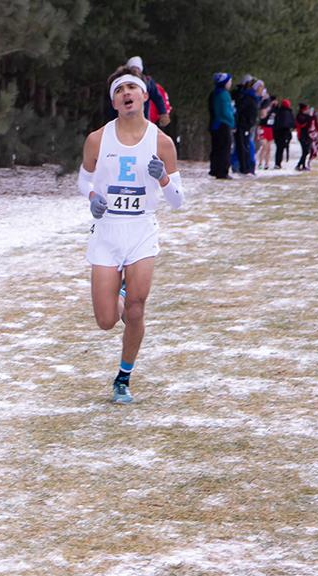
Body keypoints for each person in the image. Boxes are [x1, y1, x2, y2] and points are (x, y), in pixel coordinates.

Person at [78, 65, 183, 405]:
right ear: (114, 102)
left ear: (143, 95)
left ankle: (123, 378)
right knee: (107, 321)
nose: (126, 93)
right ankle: (120, 289)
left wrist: (164, 179)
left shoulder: (162, 142)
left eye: (131, 88)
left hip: (141, 228)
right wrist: (93, 198)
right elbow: (83, 180)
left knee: (135, 310)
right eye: (119, 90)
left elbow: (178, 201)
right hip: (108, 231)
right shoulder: (97, 138)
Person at [209, 73, 234, 179]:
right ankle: (223, 171)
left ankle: (215, 169)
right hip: (223, 124)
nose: (231, 83)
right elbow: (225, 111)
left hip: (215, 124)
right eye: (229, 81)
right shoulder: (223, 94)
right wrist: (232, 121)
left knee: (217, 148)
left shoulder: (214, 93)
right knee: (225, 147)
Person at [234, 78, 261, 175]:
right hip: (244, 125)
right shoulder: (248, 97)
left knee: (247, 145)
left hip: (247, 125)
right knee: (244, 146)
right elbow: (242, 110)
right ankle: (244, 168)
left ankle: (247, 167)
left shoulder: (252, 97)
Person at [272, 98, 294, 168]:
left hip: (277, 133)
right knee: (280, 148)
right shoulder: (288, 112)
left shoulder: (278, 111)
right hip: (283, 134)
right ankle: (278, 163)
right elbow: (289, 124)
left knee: (279, 149)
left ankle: (278, 163)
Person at [295, 103, 315, 170]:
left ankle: (302, 165)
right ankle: (299, 165)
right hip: (301, 136)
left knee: (306, 151)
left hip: (306, 136)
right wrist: (309, 117)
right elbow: (303, 123)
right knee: (305, 151)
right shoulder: (300, 116)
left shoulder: (305, 116)